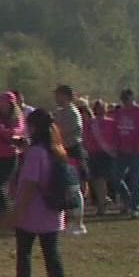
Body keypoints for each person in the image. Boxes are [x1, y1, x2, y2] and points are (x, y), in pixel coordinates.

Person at [11, 108, 73, 277]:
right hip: (52, 212)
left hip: (33, 212)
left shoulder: (36, 153)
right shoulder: (56, 149)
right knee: (52, 256)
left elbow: (29, 184)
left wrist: (19, 211)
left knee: (24, 254)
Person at [50, 86, 88, 234]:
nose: (56, 98)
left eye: (58, 95)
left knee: (74, 188)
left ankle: (78, 222)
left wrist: (55, 133)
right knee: (64, 188)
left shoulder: (73, 113)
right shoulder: (59, 112)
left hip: (72, 151)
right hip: (62, 152)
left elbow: (72, 130)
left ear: (65, 96)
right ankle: (68, 220)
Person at [111, 89, 139, 218]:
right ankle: (127, 199)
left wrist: (134, 146)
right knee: (115, 178)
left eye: (127, 99)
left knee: (136, 180)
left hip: (137, 152)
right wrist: (117, 146)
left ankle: (135, 208)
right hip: (121, 151)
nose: (125, 102)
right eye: (123, 100)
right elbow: (115, 131)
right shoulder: (119, 113)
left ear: (132, 98)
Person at [0, 92, 26, 214]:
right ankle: (0, 214)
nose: (0, 105)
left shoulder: (17, 118)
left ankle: (4, 213)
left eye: (3, 102)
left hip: (8, 157)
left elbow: (14, 134)